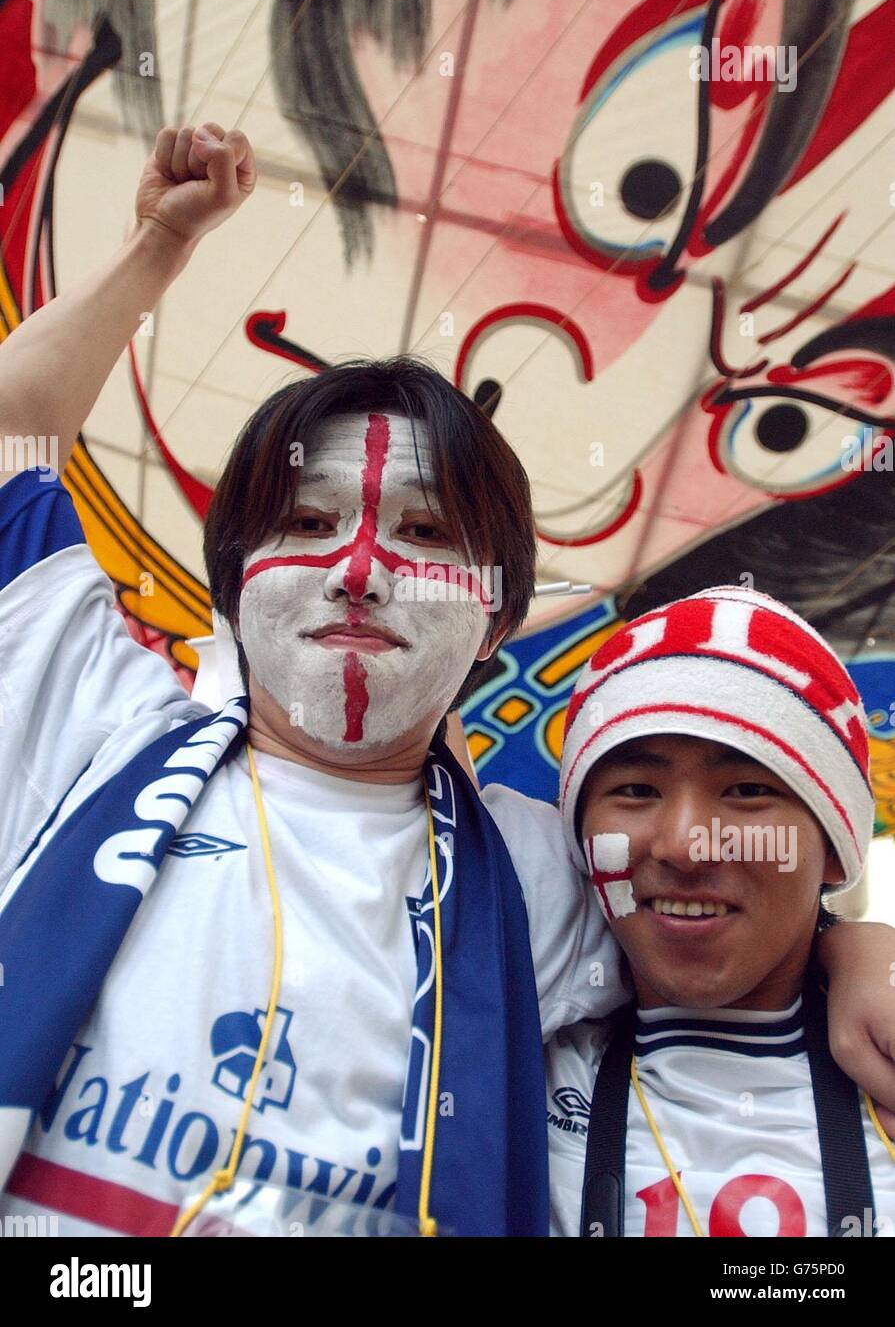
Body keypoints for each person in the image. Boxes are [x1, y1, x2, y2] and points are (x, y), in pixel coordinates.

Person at [0, 126, 892, 1239]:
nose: (360, 568)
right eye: (309, 524)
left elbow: (724, 907)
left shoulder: (541, 870)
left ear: (495, 621)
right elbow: (14, 422)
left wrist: (856, 943)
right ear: (230, 585)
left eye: (422, 530)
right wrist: (158, 246)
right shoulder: (83, 712)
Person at [548, 585, 895, 1237]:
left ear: (833, 848)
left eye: (746, 789)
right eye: (635, 789)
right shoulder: (512, 1068)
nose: (683, 844)